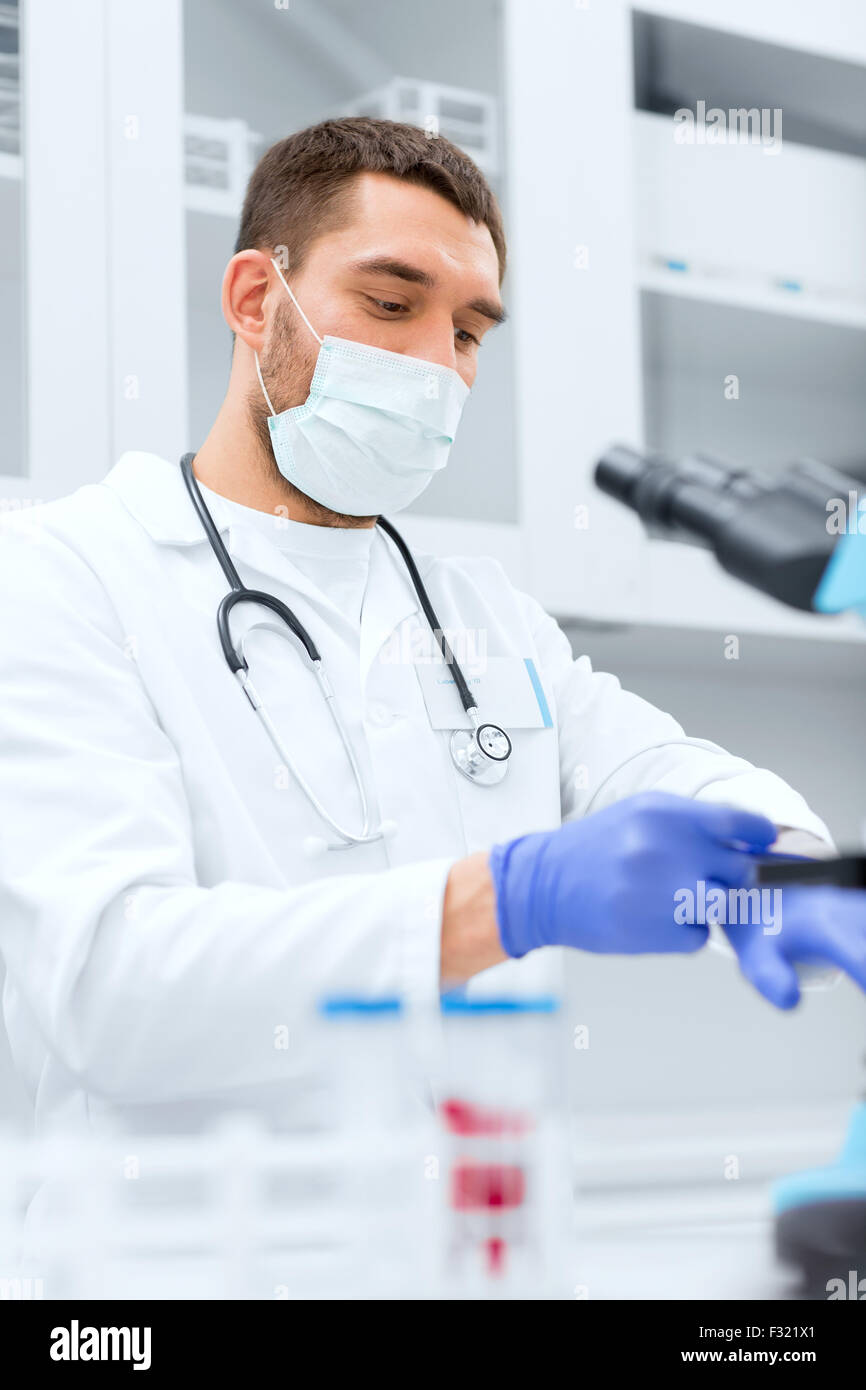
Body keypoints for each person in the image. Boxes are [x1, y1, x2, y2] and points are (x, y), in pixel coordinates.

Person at [0, 118, 859, 1155]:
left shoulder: (479, 617)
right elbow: (108, 991)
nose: (431, 365)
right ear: (253, 298)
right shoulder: (63, 573)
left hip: (466, 1252)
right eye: (390, 303)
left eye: (465, 333)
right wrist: (502, 900)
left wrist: (787, 870)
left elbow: (657, 767)